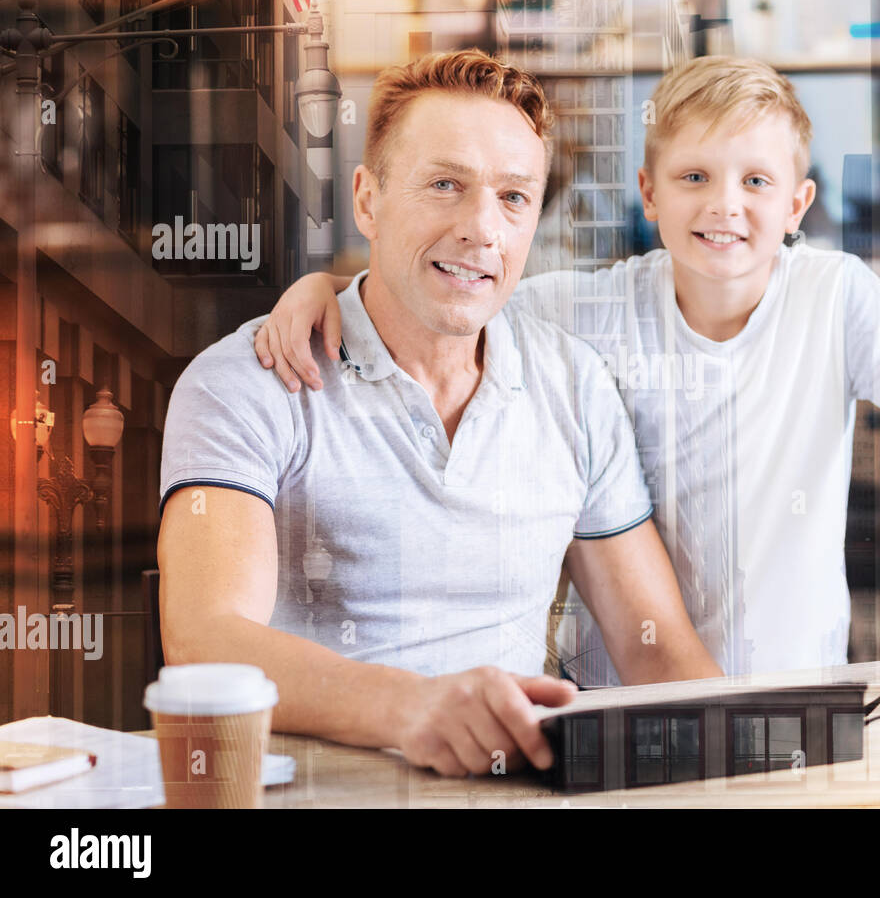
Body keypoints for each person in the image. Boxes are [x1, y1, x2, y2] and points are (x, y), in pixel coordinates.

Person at [253, 55, 880, 683]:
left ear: (798, 202)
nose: (724, 206)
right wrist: (326, 287)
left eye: (756, 182)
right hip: (623, 701)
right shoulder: (588, 306)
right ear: (649, 193)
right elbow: (443, 287)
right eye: (693, 178)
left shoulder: (838, 298)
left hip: (794, 695)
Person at [157, 49, 723, 777]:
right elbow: (206, 639)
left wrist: (758, 766)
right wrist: (412, 707)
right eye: (445, 184)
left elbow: (656, 649)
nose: (482, 229)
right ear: (367, 200)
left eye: (514, 197)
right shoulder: (249, 381)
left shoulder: (575, 386)